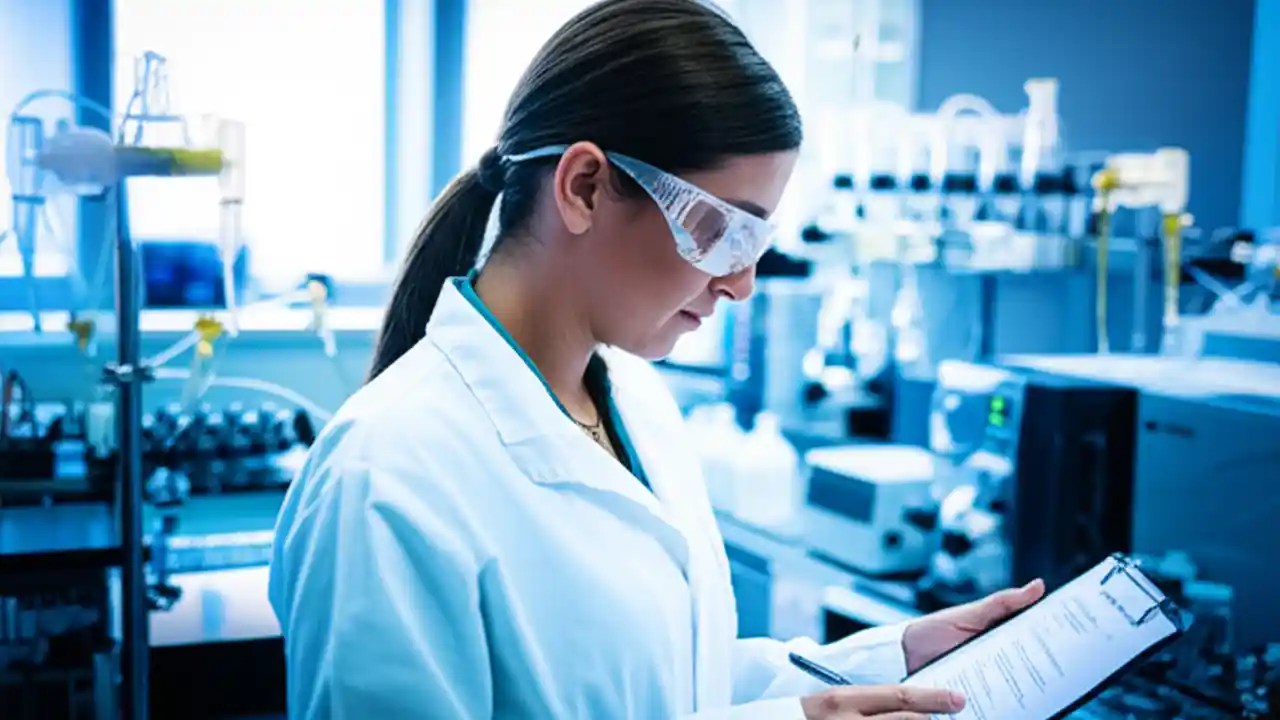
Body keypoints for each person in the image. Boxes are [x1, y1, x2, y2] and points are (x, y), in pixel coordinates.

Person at [268, 0, 1045, 717]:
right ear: (584, 186)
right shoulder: (390, 474)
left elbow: (672, 681)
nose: (741, 283)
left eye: (756, 242)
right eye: (723, 232)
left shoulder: (636, 402)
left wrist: (896, 658)